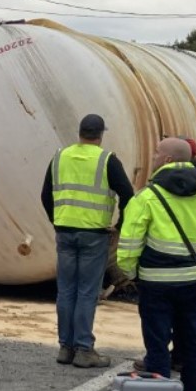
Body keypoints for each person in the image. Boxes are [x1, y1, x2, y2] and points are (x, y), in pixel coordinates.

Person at [118, 138, 196, 391]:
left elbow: (129, 245)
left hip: (155, 283)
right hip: (191, 284)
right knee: (192, 346)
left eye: (156, 152)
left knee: (157, 347)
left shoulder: (146, 197)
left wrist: (133, 273)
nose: (153, 157)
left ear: (167, 160)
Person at [42, 113, 136, 368]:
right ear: (101, 134)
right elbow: (128, 195)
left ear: (80, 133)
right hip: (94, 234)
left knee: (66, 291)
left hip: (65, 232)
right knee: (86, 292)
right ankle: (84, 349)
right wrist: (121, 225)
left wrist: (57, 220)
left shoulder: (60, 156)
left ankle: (66, 347)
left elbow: (45, 195)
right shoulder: (107, 160)